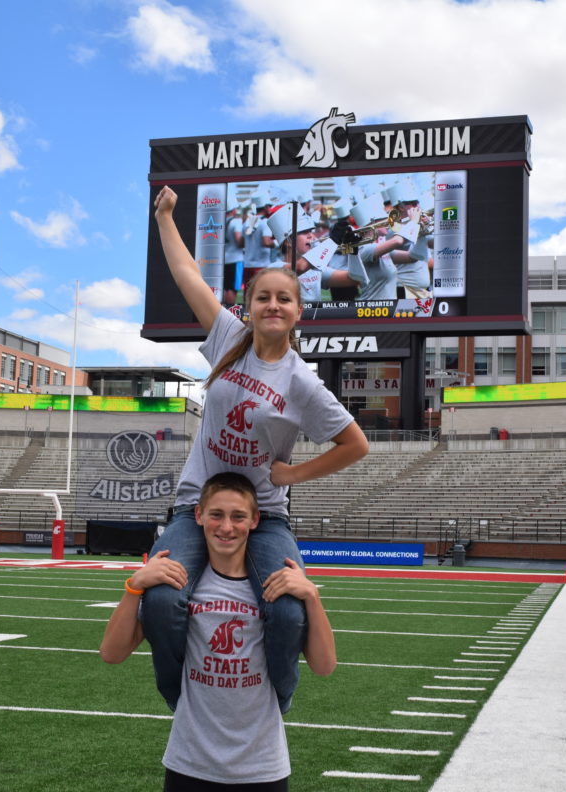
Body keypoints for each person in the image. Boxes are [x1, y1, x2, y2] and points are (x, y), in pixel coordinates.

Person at [148, 184, 367, 715]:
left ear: (298, 311)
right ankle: (184, 701)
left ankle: (275, 706)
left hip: (265, 515)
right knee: (159, 601)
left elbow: (354, 444)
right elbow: (186, 276)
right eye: (263, 297)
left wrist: (294, 475)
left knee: (289, 614)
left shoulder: (303, 383)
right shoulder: (228, 337)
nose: (273, 304)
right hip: (198, 505)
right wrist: (165, 220)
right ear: (248, 306)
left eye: (284, 298)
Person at [101, 472, 336, 791]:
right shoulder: (180, 586)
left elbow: (324, 666)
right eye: (216, 515)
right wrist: (135, 586)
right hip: (190, 762)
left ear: (255, 520)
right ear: (198, 516)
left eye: (238, 516)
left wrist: (312, 596)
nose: (226, 527)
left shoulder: (273, 588)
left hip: (263, 766)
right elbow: (112, 654)